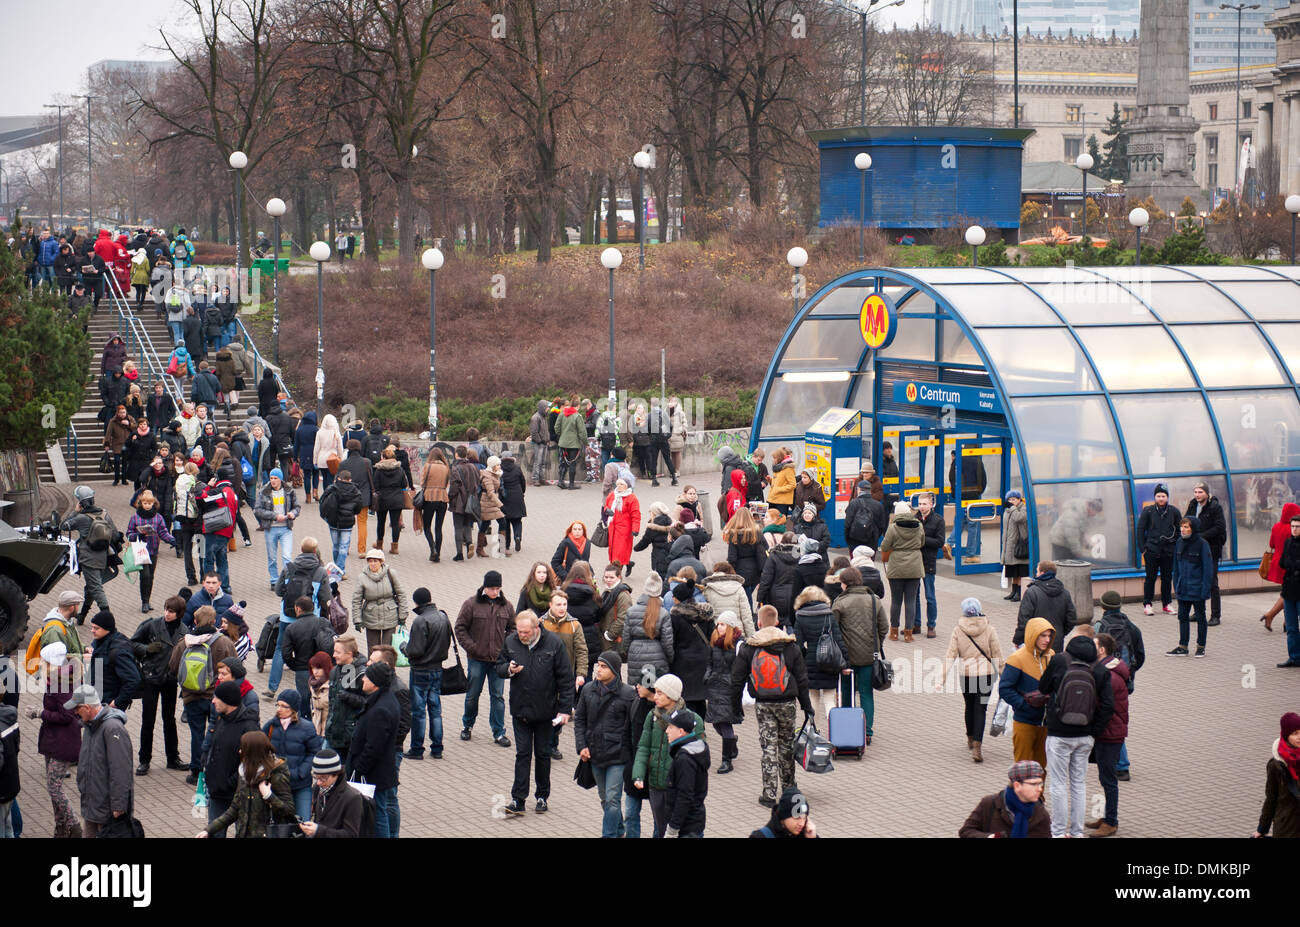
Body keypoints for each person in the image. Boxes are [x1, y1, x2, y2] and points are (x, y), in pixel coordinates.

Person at [731, 604, 814, 808]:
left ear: (759, 623)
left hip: (763, 704)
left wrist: (736, 706)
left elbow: (736, 680)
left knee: (768, 747)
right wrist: (807, 707)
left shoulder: (750, 648)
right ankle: (789, 789)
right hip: (787, 703)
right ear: (778, 622)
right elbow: (802, 680)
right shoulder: (790, 646)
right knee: (786, 746)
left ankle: (768, 794)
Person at [496, 611, 574, 816]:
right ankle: (518, 799)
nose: (521, 635)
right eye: (519, 631)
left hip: (546, 711)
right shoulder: (511, 641)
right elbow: (499, 666)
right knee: (522, 753)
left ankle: (542, 797)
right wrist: (508, 669)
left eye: (525, 632)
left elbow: (565, 679)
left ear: (536, 628)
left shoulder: (554, 644)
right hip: (520, 710)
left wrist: (565, 709)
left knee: (542, 754)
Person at [170, 605, 237, 783]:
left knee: (197, 734)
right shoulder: (224, 643)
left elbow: (173, 666)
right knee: (217, 733)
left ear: (195, 621)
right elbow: (236, 667)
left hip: (192, 696)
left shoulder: (185, 642)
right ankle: (215, 769)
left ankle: (196, 771)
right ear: (214, 621)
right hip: (218, 697)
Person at [574, 650, 637, 837]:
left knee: (612, 799)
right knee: (604, 799)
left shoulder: (628, 694)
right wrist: (581, 746)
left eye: (603, 667)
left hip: (618, 755)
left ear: (615, 671)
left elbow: (633, 727)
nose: (598, 670)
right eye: (598, 666)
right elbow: (580, 720)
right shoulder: (588, 690)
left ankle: (608, 834)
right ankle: (619, 831)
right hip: (594, 753)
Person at [938, 597, 1004, 763]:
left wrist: (941, 678)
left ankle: (970, 736)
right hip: (986, 675)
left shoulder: (958, 630)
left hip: (966, 675)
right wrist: (1004, 675)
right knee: (980, 709)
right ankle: (977, 746)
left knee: (969, 706)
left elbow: (950, 655)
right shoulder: (989, 629)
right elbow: (997, 655)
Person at [197, 730, 295, 838]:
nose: (239, 751)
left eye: (243, 748)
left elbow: (289, 811)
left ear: (253, 752)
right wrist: (209, 830)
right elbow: (234, 809)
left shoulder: (276, 776)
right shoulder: (244, 774)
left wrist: (269, 796)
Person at [129, 595, 188, 776]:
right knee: (148, 720)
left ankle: (173, 757)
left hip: (170, 680)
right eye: (166, 609)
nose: (167, 614)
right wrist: (146, 649)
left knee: (169, 719)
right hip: (151, 679)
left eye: (171, 611)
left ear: (179, 614)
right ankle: (144, 760)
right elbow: (132, 643)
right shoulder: (152, 625)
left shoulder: (185, 632)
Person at [65, 685, 133, 838]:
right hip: (92, 802)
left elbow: (121, 769)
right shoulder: (90, 726)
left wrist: (119, 805)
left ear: (87, 707)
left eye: (77, 709)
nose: (75, 713)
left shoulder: (112, 729)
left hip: (108, 809)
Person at [456, 571, 515, 746]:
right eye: (492, 588)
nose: (495, 592)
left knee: (497, 696)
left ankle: (499, 732)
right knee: (473, 694)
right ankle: (467, 725)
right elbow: (460, 628)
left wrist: (505, 647)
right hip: (476, 659)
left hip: (498, 660)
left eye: (498, 588)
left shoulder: (507, 606)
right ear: (485, 587)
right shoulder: (471, 604)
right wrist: (472, 647)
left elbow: (512, 629)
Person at [267, 538, 331, 697]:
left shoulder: (289, 567)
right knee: (310, 650)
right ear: (315, 551)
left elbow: (278, 591)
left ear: (301, 550)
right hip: (311, 618)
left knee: (280, 649)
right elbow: (325, 597)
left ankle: (272, 687)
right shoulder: (320, 571)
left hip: (287, 616)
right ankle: (311, 687)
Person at [31, 644, 83, 837]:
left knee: (54, 787)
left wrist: (41, 713)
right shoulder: (57, 678)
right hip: (54, 740)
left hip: (63, 742)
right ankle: (60, 828)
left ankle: (74, 826)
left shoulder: (59, 683)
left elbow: (67, 716)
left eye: (43, 659)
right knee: (53, 786)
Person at [832, 567, 888, 743]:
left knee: (847, 692)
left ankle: (849, 729)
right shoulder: (874, 600)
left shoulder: (839, 603)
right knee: (866, 693)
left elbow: (834, 630)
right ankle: (867, 732)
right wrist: (877, 644)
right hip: (868, 655)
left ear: (845, 583)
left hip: (846, 657)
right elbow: (884, 627)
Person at [1094, 590, 1145, 780]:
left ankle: (1120, 764)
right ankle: (1118, 763)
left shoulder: (1099, 626)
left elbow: (1091, 654)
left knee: (1106, 719)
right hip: (1124, 682)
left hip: (1102, 680)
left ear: (1103, 607)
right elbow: (1140, 656)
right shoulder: (1132, 627)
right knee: (1117, 719)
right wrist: (1128, 672)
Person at [345, 660, 400, 837]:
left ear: (375, 682)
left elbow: (374, 747)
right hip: (378, 772)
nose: (363, 680)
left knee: (377, 815)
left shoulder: (381, 709)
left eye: (367, 677)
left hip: (373, 774)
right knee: (378, 812)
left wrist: (359, 769)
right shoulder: (384, 699)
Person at [202, 680, 261, 835]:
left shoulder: (249, 727)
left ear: (228, 701)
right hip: (217, 792)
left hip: (238, 794)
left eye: (217, 698)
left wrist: (231, 782)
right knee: (214, 832)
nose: (213, 701)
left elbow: (253, 762)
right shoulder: (223, 719)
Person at [1087, 632, 1130, 838]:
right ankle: (1107, 817)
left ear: (1102, 650)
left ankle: (1111, 821)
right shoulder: (1109, 669)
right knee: (1106, 778)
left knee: (1108, 779)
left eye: (1093, 645)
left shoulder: (1109, 676)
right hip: (1110, 732)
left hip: (1109, 733)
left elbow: (1102, 707)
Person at [998, 616, 1055, 771]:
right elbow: (1004, 688)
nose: (1047, 639)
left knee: (1041, 766)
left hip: (1046, 723)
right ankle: (1019, 796)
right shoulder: (1017, 658)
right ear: (1033, 635)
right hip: (1024, 721)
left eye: (1049, 635)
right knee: (1022, 768)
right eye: (1043, 635)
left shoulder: (1052, 656)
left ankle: (1038, 796)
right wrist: (1023, 705)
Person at [402, 588, 451, 760]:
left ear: (416, 602)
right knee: (435, 710)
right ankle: (437, 748)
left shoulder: (420, 621)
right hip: (437, 668)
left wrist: (404, 648)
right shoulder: (443, 617)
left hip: (420, 671)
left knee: (418, 711)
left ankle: (417, 748)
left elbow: (415, 650)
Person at [261, 691, 323, 821]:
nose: (279, 709)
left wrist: (300, 772)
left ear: (294, 709)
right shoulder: (271, 726)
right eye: (278, 705)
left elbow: (314, 752)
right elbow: (261, 749)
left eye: (284, 706)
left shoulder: (306, 727)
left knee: (303, 823)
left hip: (300, 785)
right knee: (279, 825)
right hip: (277, 785)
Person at [62, 485, 119, 624]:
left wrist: (75, 512)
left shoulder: (81, 518)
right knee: (91, 586)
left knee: (96, 588)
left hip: (88, 559)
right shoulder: (104, 514)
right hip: (103, 557)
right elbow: (116, 535)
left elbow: (63, 526)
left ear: (81, 503)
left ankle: (108, 620)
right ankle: (82, 616)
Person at [792, 586, 845, 728]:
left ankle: (814, 730)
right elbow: (838, 640)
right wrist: (846, 663)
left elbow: (797, 643)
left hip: (810, 662)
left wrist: (802, 659)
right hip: (829, 661)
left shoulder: (800, 616)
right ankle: (835, 730)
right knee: (829, 697)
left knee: (812, 697)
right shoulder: (829, 614)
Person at [958, 761, 1051, 838]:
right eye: (1034, 784)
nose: (1039, 789)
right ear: (1017, 786)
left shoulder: (1040, 813)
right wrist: (989, 837)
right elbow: (965, 831)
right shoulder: (990, 803)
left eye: (1040, 784)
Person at [1168, 516, 1214, 658]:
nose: (1183, 529)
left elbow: (1208, 569)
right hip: (1183, 588)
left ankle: (1201, 647)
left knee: (1200, 618)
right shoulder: (1179, 543)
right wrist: (1176, 584)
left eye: (1186, 527)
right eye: (1182, 526)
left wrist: (1205, 590)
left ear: (1193, 529)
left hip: (1197, 588)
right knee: (1182, 617)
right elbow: (1175, 567)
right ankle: (1183, 646)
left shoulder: (1202, 544)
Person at [1182, 482, 1227, 626]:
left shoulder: (1215, 507)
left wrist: (1201, 536)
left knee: (1212, 582)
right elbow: (1186, 521)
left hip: (1211, 549)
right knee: (1196, 580)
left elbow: (1219, 527)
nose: (1197, 495)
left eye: (1200, 492)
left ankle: (1215, 615)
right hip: (1195, 549)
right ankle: (1198, 611)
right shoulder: (1192, 505)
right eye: (1195, 492)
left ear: (1207, 493)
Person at [280, 596, 335, 711]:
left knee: (304, 702)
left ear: (298, 609)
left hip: (303, 669)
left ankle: (306, 723)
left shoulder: (292, 628)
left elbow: (286, 654)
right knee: (323, 699)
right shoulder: (323, 622)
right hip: (323, 668)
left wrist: (295, 665)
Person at [706, 612, 745, 774]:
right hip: (714, 686)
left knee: (725, 722)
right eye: (718, 624)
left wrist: (736, 684)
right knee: (716, 722)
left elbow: (741, 668)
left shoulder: (738, 644)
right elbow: (709, 662)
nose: (719, 627)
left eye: (722, 624)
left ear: (729, 626)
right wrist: (707, 675)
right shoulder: (714, 641)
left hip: (729, 688)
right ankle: (731, 742)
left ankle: (726, 761)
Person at [879, 501, 923, 642]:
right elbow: (922, 543)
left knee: (896, 600)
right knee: (910, 601)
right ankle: (909, 634)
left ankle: (894, 632)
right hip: (915, 565)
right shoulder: (919, 525)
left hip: (896, 566)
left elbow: (885, 546)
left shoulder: (893, 528)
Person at [662, 709, 709, 837]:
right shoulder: (692, 750)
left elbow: (684, 796)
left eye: (670, 727)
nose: (666, 731)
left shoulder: (685, 759)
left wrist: (673, 829)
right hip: (693, 824)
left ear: (681, 731)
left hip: (686, 828)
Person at [1012, 561, 1080, 649]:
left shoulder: (1032, 592)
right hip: (1056, 642)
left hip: (1036, 641)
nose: (1036, 574)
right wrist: (1059, 633)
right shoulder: (1064, 593)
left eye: (1037, 571)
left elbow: (1024, 619)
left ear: (1042, 573)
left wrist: (1018, 640)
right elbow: (1071, 619)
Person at [1253, 712, 1300, 838]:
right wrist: (1262, 828)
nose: (1299, 737)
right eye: (1295, 733)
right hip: (1287, 828)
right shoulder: (1276, 765)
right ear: (1286, 736)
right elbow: (1271, 798)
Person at [300, 748, 366, 837]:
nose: (318, 782)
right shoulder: (317, 788)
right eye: (316, 777)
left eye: (323, 777)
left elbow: (351, 835)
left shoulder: (353, 797)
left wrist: (318, 830)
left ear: (336, 774)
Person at [1137, 484, 1179, 616]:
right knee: (1150, 578)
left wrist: (1175, 546)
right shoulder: (1148, 511)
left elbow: (1180, 529)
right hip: (1152, 551)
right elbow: (1140, 529)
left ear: (1167, 497)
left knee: (1167, 578)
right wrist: (1143, 548)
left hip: (1168, 551)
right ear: (1154, 497)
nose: (1161, 498)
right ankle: (1147, 604)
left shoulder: (1174, 511)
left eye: (1163, 496)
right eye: (1158, 496)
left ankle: (1167, 604)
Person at [85, 611, 140, 711]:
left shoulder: (118, 651)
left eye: (96, 628)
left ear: (107, 629)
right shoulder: (100, 641)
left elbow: (133, 680)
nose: (92, 630)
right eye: (92, 627)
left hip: (108, 705)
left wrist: (117, 702)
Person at [352, 548, 406, 651]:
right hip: (371, 616)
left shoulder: (391, 574)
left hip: (390, 614)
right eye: (370, 561)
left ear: (381, 562)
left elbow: (401, 594)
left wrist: (403, 615)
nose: (372, 564)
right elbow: (356, 600)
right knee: (373, 650)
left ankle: (387, 667)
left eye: (375, 561)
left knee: (387, 651)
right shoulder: (362, 577)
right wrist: (357, 619)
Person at [255, 468, 300, 588]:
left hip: (286, 528)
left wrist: (293, 513)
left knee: (286, 556)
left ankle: (287, 580)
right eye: (271, 478)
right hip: (271, 529)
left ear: (280, 479)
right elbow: (258, 510)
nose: (273, 481)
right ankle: (274, 580)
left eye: (275, 478)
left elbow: (297, 506)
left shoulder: (289, 491)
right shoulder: (264, 491)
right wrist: (275, 516)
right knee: (272, 557)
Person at [1262, 502, 1300, 631]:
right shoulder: (1293, 528)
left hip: (1278, 563)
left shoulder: (1276, 526)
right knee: (1288, 592)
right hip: (1291, 564)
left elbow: (1271, 544)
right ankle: (1273, 616)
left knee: (1288, 591)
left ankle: (1284, 620)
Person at [755, 531, 804, 629]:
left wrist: (760, 598)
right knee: (793, 625)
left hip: (775, 597)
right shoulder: (801, 557)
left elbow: (766, 579)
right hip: (795, 596)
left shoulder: (774, 556)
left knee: (776, 625)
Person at [319, 469, 362, 575]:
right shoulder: (355, 491)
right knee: (344, 547)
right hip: (347, 523)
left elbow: (323, 503)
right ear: (350, 479)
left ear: (338, 478)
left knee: (336, 546)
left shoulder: (332, 489)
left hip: (333, 522)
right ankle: (340, 570)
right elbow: (358, 509)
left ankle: (336, 569)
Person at [339, 439, 375, 558]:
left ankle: (346, 548)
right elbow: (371, 479)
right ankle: (362, 550)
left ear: (348, 449)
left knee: (347, 524)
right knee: (362, 523)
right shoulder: (367, 462)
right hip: (363, 497)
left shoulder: (343, 464)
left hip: (347, 497)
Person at [602, 477, 642, 575]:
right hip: (612, 528)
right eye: (618, 484)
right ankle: (627, 563)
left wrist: (635, 529)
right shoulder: (612, 495)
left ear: (627, 486)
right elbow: (606, 506)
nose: (619, 486)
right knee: (613, 551)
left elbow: (636, 514)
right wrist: (606, 510)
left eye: (621, 484)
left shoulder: (632, 498)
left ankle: (616, 574)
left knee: (620, 552)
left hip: (625, 530)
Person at [373, 446, 408, 555]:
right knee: (395, 523)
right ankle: (395, 547)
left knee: (381, 522)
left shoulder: (379, 470)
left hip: (382, 499)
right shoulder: (400, 469)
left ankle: (379, 544)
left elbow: (375, 485)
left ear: (383, 457)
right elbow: (404, 484)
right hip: (397, 499)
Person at [448, 445, 480, 561]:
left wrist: (450, 497)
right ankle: (470, 543)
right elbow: (478, 482)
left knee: (457, 527)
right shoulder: (473, 467)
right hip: (471, 500)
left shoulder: (456, 468)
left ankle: (459, 554)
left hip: (459, 501)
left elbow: (454, 486)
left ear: (456, 454)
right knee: (467, 524)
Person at [418, 447, 451, 562]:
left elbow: (422, 482)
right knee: (438, 528)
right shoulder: (446, 467)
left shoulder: (428, 466)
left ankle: (433, 549)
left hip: (429, 497)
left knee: (427, 526)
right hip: (442, 497)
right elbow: (447, 483)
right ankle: (438, 553)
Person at [1001, 491, 1030, 601]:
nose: (1011, 502)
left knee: (1020, 570)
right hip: (1009, 545)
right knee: (1013, 570)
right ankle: (1013, 591)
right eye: (1009, 499)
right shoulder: (1008, 510)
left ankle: (1019, 592)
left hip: (1019, 545)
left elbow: (1019, 518)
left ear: (1019, 499)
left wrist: (1012, 508)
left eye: (1014, 499)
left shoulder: (1023, 508)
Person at [844, 480, 885, 553]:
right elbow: (882, 526)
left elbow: (847, 524)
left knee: (856, 563)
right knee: (869, 563)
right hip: (871, 542)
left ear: (859, 489)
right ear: (870, 490)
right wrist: (875, 536)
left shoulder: (853, 503)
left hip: (855, 542)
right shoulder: (878, 505)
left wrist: (849, 540)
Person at [767, 448, 796, 515]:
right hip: (773, 499)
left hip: (781, 502)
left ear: (779, 458)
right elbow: (779, 483)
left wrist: (779, 489)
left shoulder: (788, 469)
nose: (773, 460)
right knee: (770, 520)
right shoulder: (778, 467)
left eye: (775, 458)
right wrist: (770, 480)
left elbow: (793, 485)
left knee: (779, 522)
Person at [529, 399, 552, 484]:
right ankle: (535, 479)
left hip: (544, 443)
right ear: (543, 407)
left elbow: (546, 430)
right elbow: (534, 432)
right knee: (537, 462)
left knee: (543, 462)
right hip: (538, 444)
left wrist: (547, 439)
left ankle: (541, 478)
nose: (548, 409)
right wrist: (540, 441)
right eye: (547, 407)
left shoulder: (544, 417)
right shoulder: (536, 418)